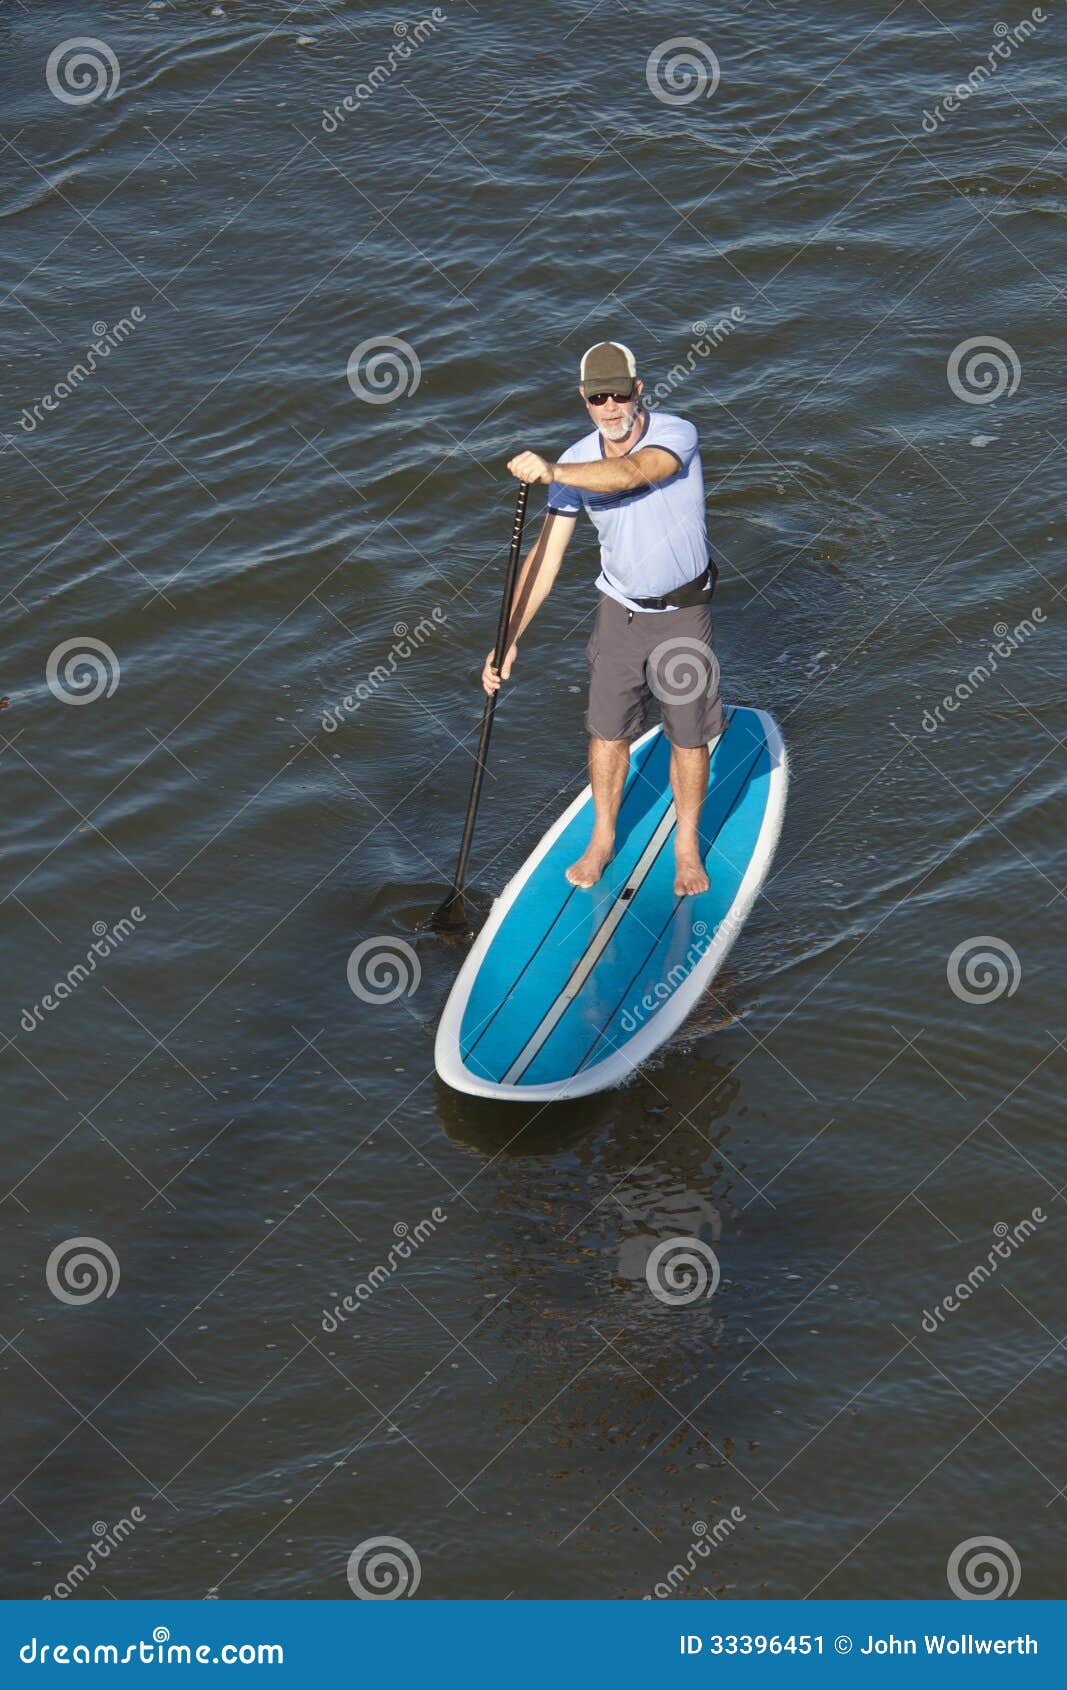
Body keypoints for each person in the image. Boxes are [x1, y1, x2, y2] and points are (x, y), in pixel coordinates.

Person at [483, 340, 723, 897]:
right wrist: (508, 638)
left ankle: (686, 847)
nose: (611, 407)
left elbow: (634, 473)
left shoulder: (675, 435)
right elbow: (544, 558)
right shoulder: (572, 465)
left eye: (620, 394)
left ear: (638, 391)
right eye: (599, 397)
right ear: (584, 400)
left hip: (684, 613)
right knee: (606, 731)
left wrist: (551, 468)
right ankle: (603, 837)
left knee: (688, 737)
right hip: (619, 613)